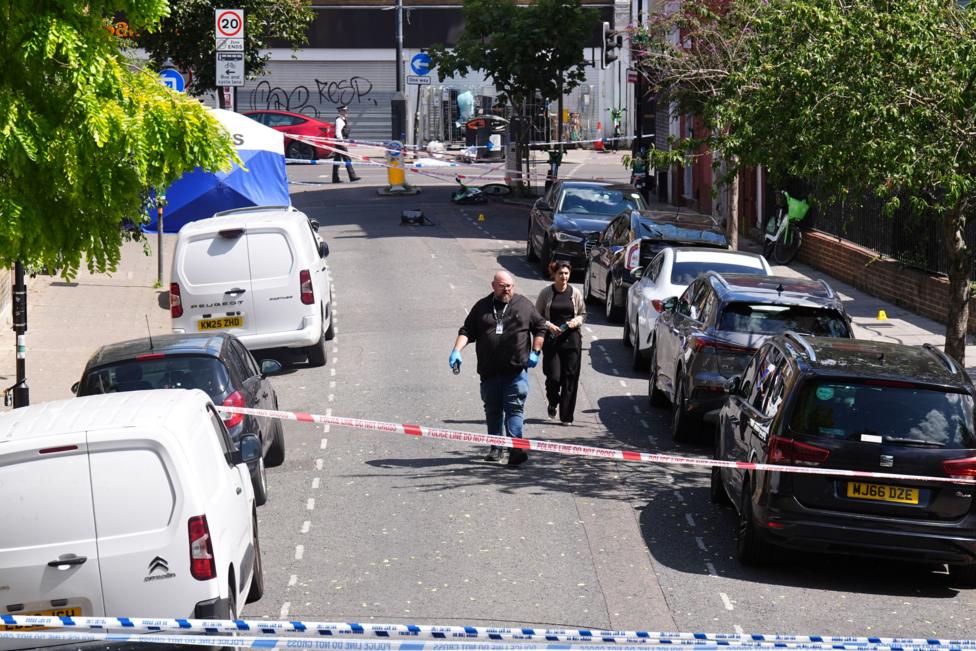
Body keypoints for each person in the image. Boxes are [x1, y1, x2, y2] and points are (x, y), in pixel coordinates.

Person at [450, 271, 547, 465]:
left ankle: (515, 449)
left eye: (510, 285)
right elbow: (467, 330)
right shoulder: (482, 307)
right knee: (493, 410)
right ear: (493, 286)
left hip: (515, 372)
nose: (507, 289)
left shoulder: (524, 305)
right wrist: (456, 350)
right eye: (503, 286)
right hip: (489, 372)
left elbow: (540, 327)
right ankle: (495, 448)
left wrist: (536, 351)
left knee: (514, 410)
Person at [534, 260, 585, 425]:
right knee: (554, 377)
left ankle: (566, 416)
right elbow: (536, 316)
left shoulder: (575, 293)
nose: (564, 276)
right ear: (554, 275)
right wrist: (549, 325)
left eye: (566, 273)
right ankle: (553, 401)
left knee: (570, 378)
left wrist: (576, 321)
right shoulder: (546, 293)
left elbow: (583, 313)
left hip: (572, 341)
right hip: (552, 342)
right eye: (560, 273)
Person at [332, 105, 361, 183]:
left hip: (340, 142)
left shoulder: (343, 119)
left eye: (346, 110)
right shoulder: (339, 120)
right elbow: (338, 132)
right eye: (345, 110)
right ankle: (352, 176)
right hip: (340, 142)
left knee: (337, 160)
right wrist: (342, 142)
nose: (346, 112)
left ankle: (335, 178)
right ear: (341, 111)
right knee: (347, 158)